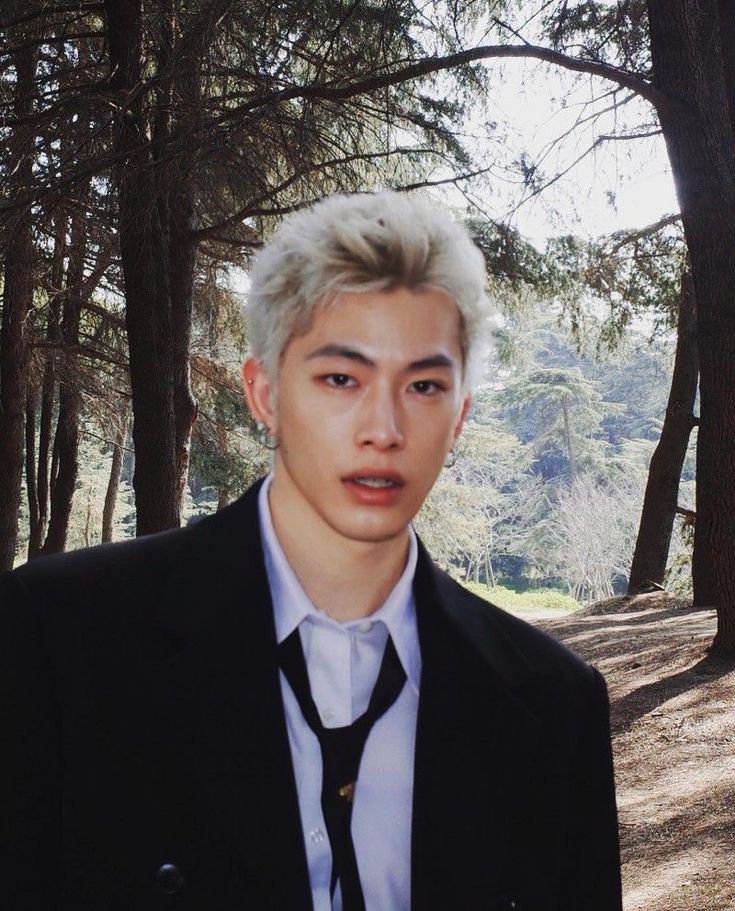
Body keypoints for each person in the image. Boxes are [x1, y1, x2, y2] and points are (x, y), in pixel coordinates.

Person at [0, 191, 622, 911]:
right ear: (262, 392)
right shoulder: (59, 636)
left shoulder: (555, 704)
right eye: (340, 378)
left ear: (459, 417)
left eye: (423, 385)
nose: (383, 427)